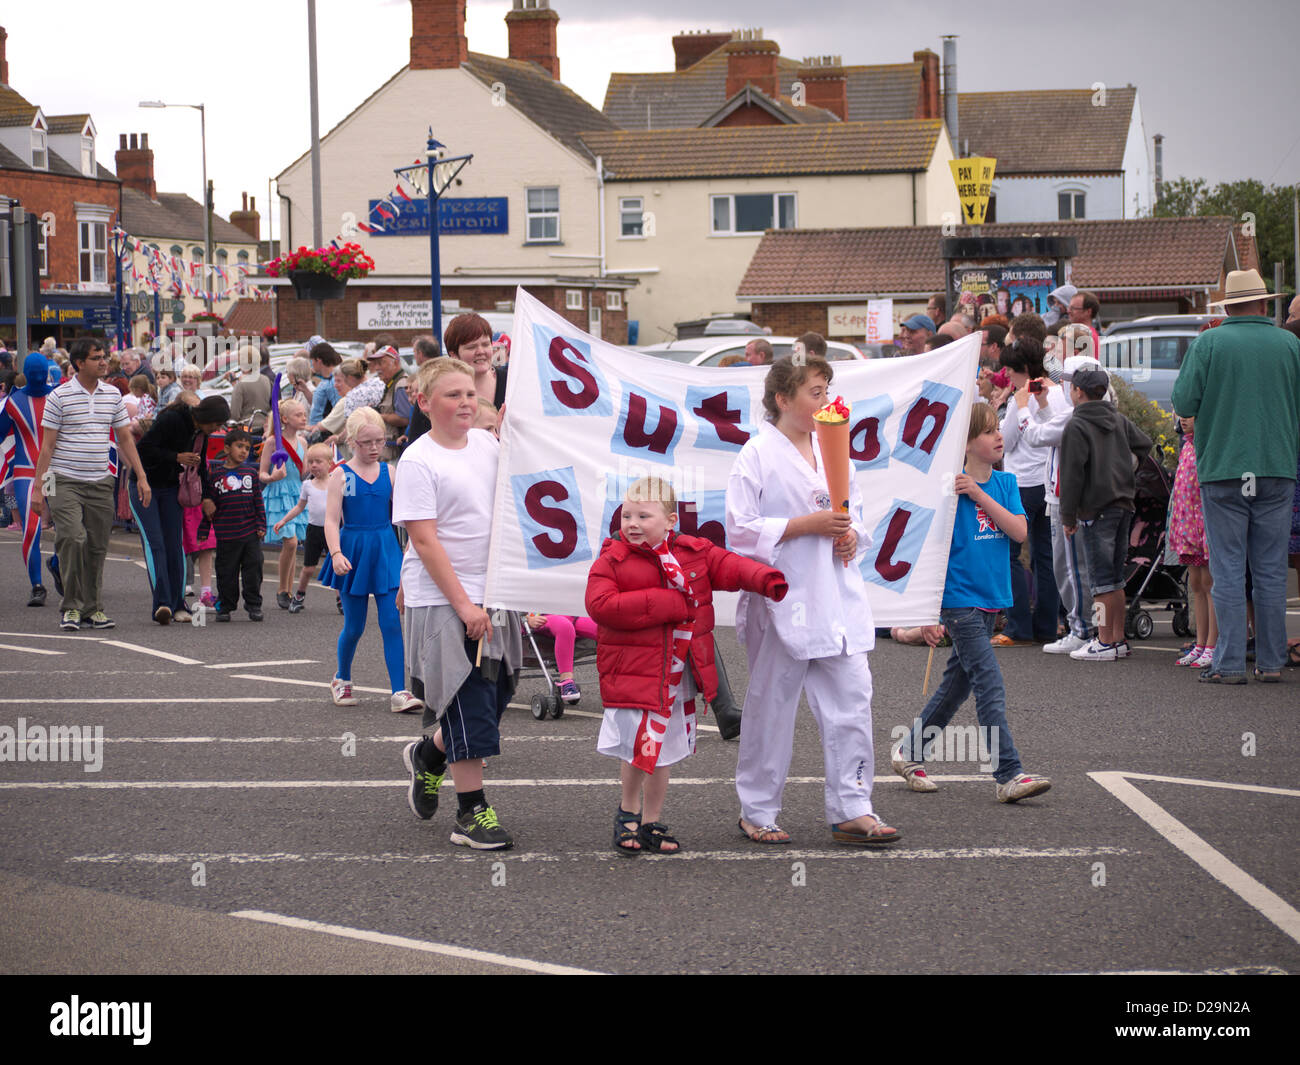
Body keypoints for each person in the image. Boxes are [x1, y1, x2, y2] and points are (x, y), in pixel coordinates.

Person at [726, 355, 902, 847]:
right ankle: (757, 810)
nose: (825, 400)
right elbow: (738, 529)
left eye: (827, 390)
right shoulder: (757, 454)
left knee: (852, 700)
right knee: (771, 709)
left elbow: (855, 514)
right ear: (783, 399)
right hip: (783, 599)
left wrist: (852, 538)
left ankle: (853, 806)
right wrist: (806, 526)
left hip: (837, 597)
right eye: (815, 392)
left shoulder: (834, 449)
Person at [587, 475, 787, 855]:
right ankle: (627, 812)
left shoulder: (694, 552)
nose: (631, 523)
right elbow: (601, 606)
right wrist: (670, 604)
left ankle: (651, 821)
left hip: (678, 676)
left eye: (643, 516)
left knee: (663, 752)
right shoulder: (612, 556)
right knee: (636, 749)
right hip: (634, 675)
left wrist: (767, 579)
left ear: (670, 521)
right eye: (626, 514)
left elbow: (731, 566)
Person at [892, 402, 1051, 802]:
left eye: (998, 429)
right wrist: (926, 611)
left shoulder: (1005, 483)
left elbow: (1018, 532)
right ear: (965, 443)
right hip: (958, 600)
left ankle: (909, 752)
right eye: (987, 431)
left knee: (956, 686)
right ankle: (1008, 773)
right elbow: (929, 550)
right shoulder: (946, 490)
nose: (999, 436)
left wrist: (979, 493)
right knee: (988, 682)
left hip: (991, 599)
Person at [395, 357, 522, 850]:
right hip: (444, 596)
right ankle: (471, 813)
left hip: (494, 592)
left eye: (470, 393)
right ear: (424, 403)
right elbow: (425, 542)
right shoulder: (419, 460)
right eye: (453, 395)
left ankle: (430, 755)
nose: (466, 402)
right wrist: (465, 605)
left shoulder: (489, 446)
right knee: (469, 700)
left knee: (495, 694)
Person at [1171, 268, 1299, 683]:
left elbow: (1183, 400)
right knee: (1270, 569)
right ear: (1265, 304)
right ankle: (1271, 662)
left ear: (1227, 306)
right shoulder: (1289, 343)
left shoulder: (1209, 343)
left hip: (1224, 468)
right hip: (1276, 466)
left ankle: (1227, 663)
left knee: (1227, 567)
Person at [32, 339, 150, 631]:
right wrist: (38, 489)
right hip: (64, 480)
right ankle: (71, 607)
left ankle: (93, 608)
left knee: (97, 546)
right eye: (97, 358)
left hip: (100, 480)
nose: (104, 362)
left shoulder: (113, 395)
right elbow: (47, 447)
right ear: (79, 364)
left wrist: (142, 476)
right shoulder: (59, 397)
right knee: (72, 539)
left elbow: (124, 438)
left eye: (104, 357)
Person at [317, 407, 420, 712]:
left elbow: (405, 516)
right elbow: (332, 520)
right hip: (353, 550)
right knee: (354, 625)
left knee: (391, 622)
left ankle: (400, 691)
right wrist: (335, 553)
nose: (375, 448)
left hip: (386, 548)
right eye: (367, 443)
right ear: (351, 442)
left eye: (380, 441)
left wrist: (411, 548)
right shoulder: (340, 474)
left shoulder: (391, 472)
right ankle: (342, 678)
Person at [1058, 368, 1153, 661]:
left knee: (1100, 581)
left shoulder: (1077, 425)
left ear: (1078, 392)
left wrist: (1068, 517)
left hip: (1095, 508)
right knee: (1115, 577)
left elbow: (1072, 475)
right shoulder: (1117, 419)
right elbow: (1145, 443)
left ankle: (1103, 639)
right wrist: (1128, 466)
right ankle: (1117, 638)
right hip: (1123, 503)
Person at [1016, 354, 1101, 653]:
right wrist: (1040, 405)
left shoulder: (1077, 415)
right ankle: (1083, 626)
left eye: (1067, 382)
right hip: (1063, 497)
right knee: (1067, 567)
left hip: (1066, 500)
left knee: (1071, 569)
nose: (1064, 387)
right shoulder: (1082, 413)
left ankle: (1082, 628)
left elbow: (1037, 436)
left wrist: (1022, 407)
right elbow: (1051, 427)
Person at [131, 394, 230, 624]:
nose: (216, 429)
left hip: (171, 488)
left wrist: (207, 497)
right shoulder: (172, 419)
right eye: (216, 423)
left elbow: (201, 468)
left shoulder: (201, 434)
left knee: (175, 546)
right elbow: (143, 449)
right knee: (155, 544)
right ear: (207, 416)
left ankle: (178, 604)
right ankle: (162, 603)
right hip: (144, 484)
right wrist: (175, 456)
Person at [993, 338, 1060, 645]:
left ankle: (1018, 626)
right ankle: (1047, 625)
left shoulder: (1020, 398)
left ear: (1020, 368)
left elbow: (1004, 442)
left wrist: (1011, 410)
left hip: (1020, 484)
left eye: (1008, 368)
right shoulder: (1055, 391)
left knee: (1008, 556)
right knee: (1045, 557)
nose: (1006, 374)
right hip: (1048, 483)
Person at [0, 353, 59, 605]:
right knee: (31, 529)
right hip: (26, 470)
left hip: (55, 469)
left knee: (67, 528)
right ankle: (37, 584)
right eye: (33, 372)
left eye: (39, 372)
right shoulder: (13, 401)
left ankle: (56, 564)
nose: (36, 376)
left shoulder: (58, 396)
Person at [202, 428, 265, 622]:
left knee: (253, 570)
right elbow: (210, 507)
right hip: (226, 534)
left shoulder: (251, 473)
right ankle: (226, 606)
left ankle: (253, 604)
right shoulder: (216, 475)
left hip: (250, 533)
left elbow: (258, 500)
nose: (244, 451)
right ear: (227, 448)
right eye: (239, 446)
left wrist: (261, 524)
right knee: (226, 573)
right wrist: (204, 530)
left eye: (247, 447)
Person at [1168, 413, 1216, 668]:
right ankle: (1200, 643)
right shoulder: (1187, 445)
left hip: (1204, 526)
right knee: (1196, 583)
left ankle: (1213, 645)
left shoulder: (1208, 444)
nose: (1184, 420)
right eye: (1182, 416)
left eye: (1191, 416)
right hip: (1188, 527)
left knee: (1210, 583)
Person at [272, 442, 333, 613]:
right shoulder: (307, 485)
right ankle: (299, 596)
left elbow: (345, 508)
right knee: (308, 568)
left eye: (318, 461)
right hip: (314, 530)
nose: (313, 465)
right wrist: (283, 520)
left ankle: (341, 599)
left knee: (336, 567)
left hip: (332, 530)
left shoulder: (338, 483)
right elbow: (299, 507)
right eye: (311, 461)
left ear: (330, 463)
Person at [261, 396, 309, 610]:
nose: (304, 417)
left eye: (304, 414)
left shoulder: (304, 442)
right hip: (279, 493)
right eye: (298, 414)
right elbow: (261, 473)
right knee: (289, 542)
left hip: (297, 494)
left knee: (294, 543)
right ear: (285, 419)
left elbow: (304, 472)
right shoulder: (273, 441)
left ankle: (288, 590)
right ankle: (282, 588)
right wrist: (272, 477)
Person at [524, 613, 598, 703]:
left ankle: (616, 678)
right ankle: (566, 681)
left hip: (570, 613)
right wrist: (527, 619)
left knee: (603, 627)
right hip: (539, 616)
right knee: (564, 626)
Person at [444, 313, 508, 408]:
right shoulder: (438, 388)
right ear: (454, 355)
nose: (480, 351)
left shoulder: (510, 383)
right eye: (471, 347)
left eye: (486, 344)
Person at [228, 344, 271, 433]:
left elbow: (234, 415)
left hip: (247, 430)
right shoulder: (266, 380)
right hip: (265, 428)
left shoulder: (240, 385)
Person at [306, 342, 343, 432]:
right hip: (315, 431)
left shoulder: (333, 382)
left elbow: (338, 410)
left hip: (323, 434)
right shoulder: (325, 380)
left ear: (319, 360)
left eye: (312, 361)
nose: (311, 364)